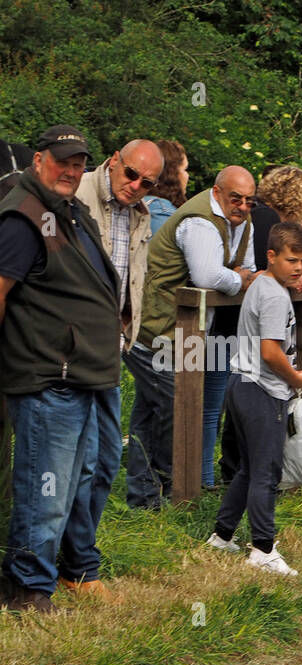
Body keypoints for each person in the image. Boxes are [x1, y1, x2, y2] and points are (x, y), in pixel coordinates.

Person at [0, 126, 122, 612]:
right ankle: (29, 588)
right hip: (50, 376)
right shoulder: (21, 217)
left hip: (86, 374)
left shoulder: (68, 211)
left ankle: (63, 572)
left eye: (78, 163)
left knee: (78, 479)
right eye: (62, 161)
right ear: (38, 161)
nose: (71, 170)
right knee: (44, 488)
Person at [67, 137, 163, 601]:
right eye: (131, 174)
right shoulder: (74, 197)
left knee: (106, 459)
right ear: (113, 162)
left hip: (110, 350)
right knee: (78, 463)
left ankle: (77, 561)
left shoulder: (140, 214)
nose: (136, 186)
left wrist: (129, 333)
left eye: (148, 182)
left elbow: (133, 279)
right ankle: (75, 567)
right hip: (67, 351)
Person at [131, 165, 258, 507]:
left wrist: (234, 276)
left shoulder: (241, 220)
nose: (243, 206)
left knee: (154, 410)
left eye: (249, 201)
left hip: (181, 332)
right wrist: (236, 279)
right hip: (158, 328)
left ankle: (148, 495)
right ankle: (173, 494)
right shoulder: (200, 221)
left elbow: (249, 267)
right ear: (217, 193)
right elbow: (206, 276)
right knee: (175, 407)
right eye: (236, 198)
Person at [206, 222, 302, 577]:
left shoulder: (263, 284)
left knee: (250, 469)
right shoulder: (273, 296)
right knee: (266, 472)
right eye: (291, 260)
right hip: (262, 390)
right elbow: (270, 352)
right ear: (271, 256)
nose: (299, 267)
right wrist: (295, 378)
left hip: (241, 385)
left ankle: (222, 536)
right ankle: (263, 549)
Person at [142, 139, 188, 235]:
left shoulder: (139, 202)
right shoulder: (162, 212)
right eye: (185, 169)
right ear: (173, 174)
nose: (187, 176)